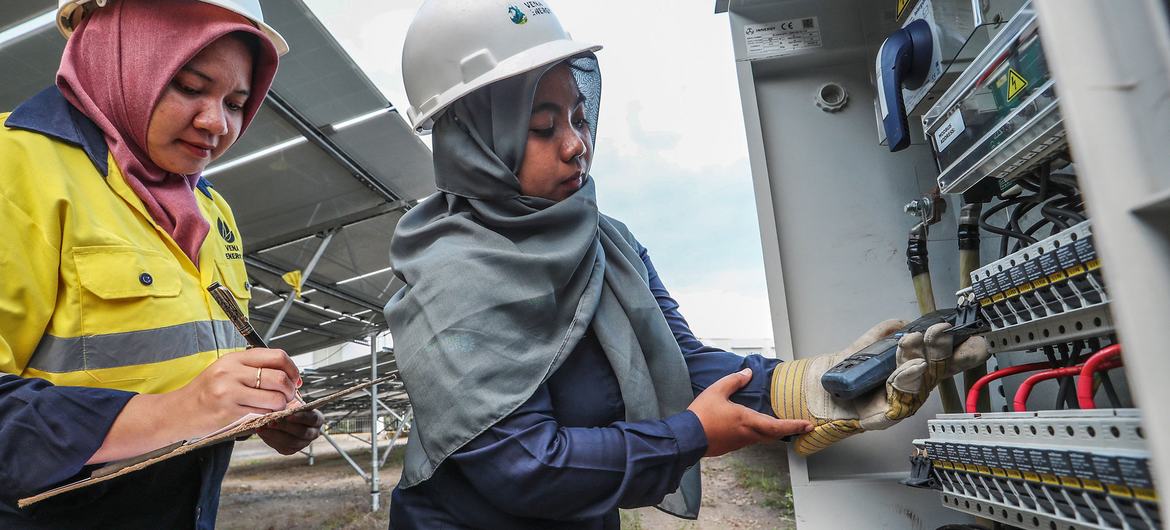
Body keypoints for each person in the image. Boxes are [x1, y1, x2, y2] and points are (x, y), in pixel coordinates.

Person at [383, 1, 991, 528]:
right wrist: (691, 435)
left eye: (577, 117)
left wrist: (817, 387)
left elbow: (685, 363)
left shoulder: (606, 242)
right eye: (542, 127)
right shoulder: (449, 276)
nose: (576, 144)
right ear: (473, 145)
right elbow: (524, 466)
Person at [0, 1, 322, 527]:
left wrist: (251, 412)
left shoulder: (210, 209)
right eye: (190, 87)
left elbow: (190, 362)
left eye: (238, 103)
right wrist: (177, 413)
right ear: (118, 56)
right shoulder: (14, 165)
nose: (216, 122)